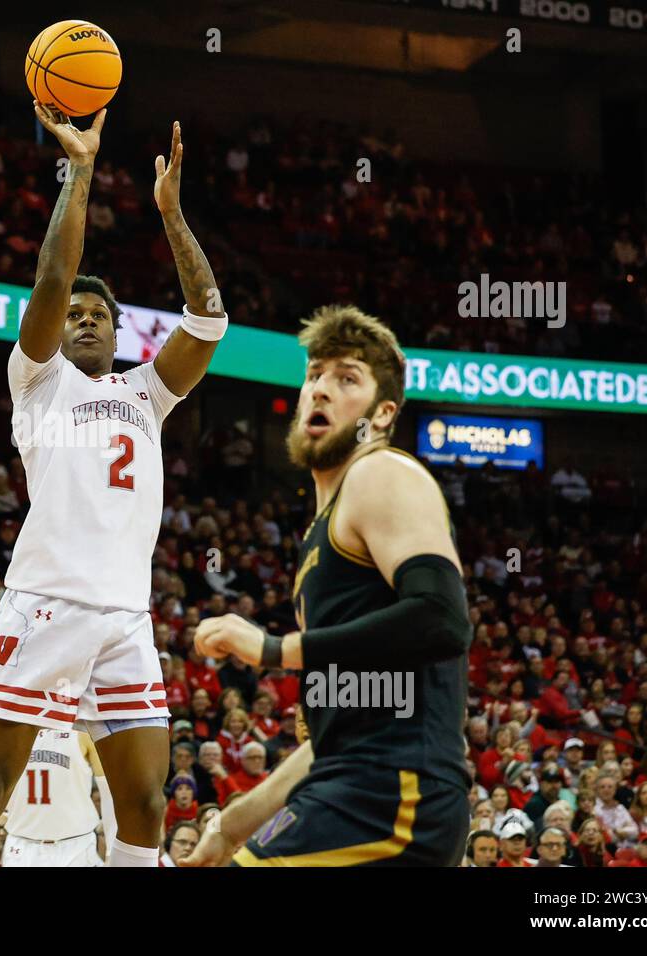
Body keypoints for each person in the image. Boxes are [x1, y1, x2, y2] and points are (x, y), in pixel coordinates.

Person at [0, 108, 226, 869]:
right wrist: (83, 168)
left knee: (147, 806)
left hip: (126, 616)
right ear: (58, 328)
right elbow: (56, 274)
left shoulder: (146, 396)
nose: (86, 319)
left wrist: (171, 215)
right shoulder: (37, 382)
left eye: (102, 315)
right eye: (77, 315)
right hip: (48, 603)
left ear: (120, 333)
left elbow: (209, 319)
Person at [185, 306, 471, 867]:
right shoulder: (322, 536)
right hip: (358, 786)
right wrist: (228, 828)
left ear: (383, 412)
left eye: (347, 379)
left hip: (394, 791)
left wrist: (274, 650)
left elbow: (442, 616)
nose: (321, 390)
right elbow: (331, 744)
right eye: (315, 374)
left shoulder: (382, 473)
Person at [1, 728, 113, 867]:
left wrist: (111, 852)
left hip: (76, 847)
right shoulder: (7, 729)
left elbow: (110, 795)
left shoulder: (82, 731)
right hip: (21, 846)